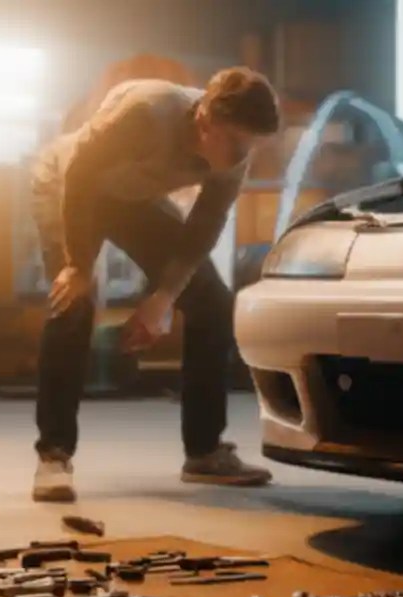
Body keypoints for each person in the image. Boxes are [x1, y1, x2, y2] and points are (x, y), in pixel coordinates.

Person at [27, 67, 280, 502]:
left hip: (132, 198)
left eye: (250, 146)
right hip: (66, 185)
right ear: (204, 123)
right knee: (76, 302)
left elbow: (205, 225)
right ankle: (53, 456)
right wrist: (78, 265)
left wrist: (162, 298)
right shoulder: (145, 113)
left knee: (212, 301)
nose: (242, 156)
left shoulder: (233, 157)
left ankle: (203, 451)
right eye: (236, 143)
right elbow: (81, 177)